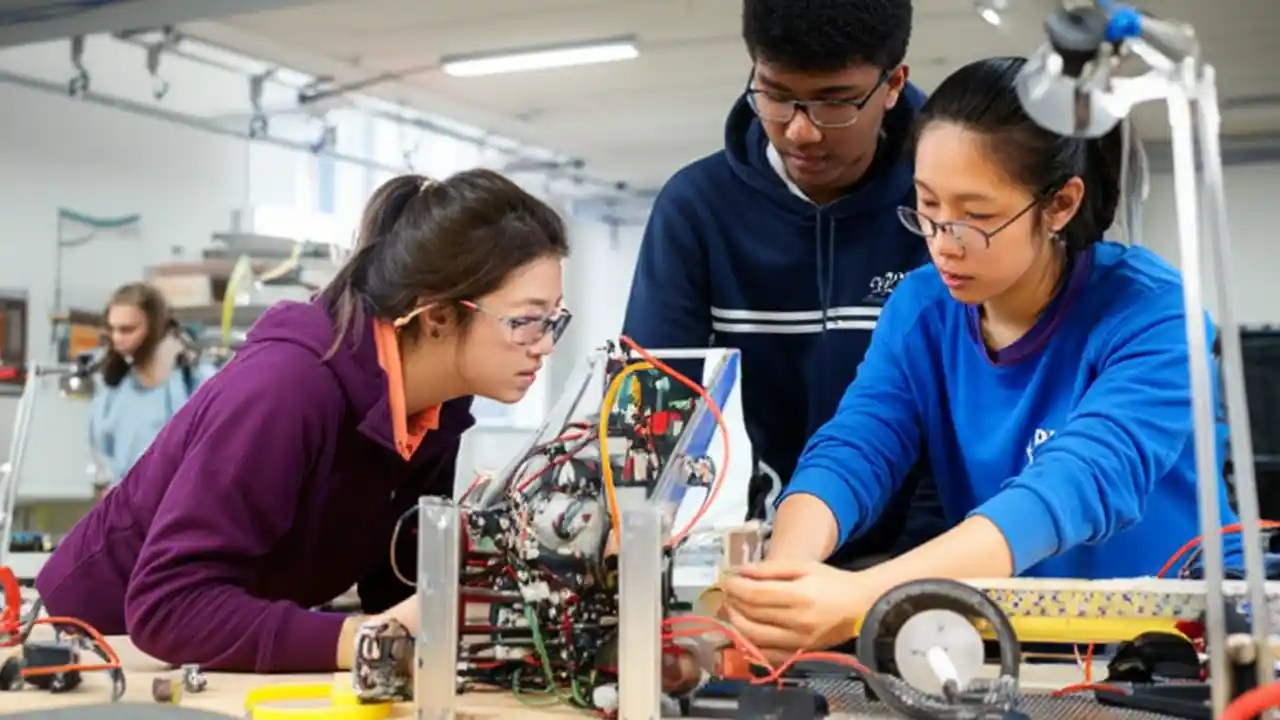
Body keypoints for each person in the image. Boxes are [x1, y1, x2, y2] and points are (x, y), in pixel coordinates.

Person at [719, 56, 1241, 657]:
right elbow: (858, 445)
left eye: (977, 217)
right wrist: (783, 578)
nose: (943, 244)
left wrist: (860, 599)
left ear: (1060, 205)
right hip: (1019, 640)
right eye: (928, 207)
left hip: (1178, 643)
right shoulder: (922, 310)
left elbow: (1073, 484)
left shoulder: (1154, 313)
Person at [35, 169, 573, 673]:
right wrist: (367, 639)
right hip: (101, 654)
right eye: (525, 322)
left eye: (553, 320)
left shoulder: (436, 408)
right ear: (436, 316)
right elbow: (169, 605)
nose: (545, 345)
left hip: (212, 654)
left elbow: (397, 585)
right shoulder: (287, 388)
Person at [622, 0, 944, 564]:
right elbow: (653, 420)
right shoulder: (696, 211)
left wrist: (898, 579)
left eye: (835, 102)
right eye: (774, 94)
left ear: (893, 84)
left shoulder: (942, 207)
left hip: (915, 568)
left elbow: (962, 416)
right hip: (739, 565)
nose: (801, 131)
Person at [88, 282, 215, 489]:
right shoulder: (113, 391)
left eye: (128, 329)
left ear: (154, 327)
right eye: (113, 329)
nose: (118, 338)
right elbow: (103, 458)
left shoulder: (194, 381)